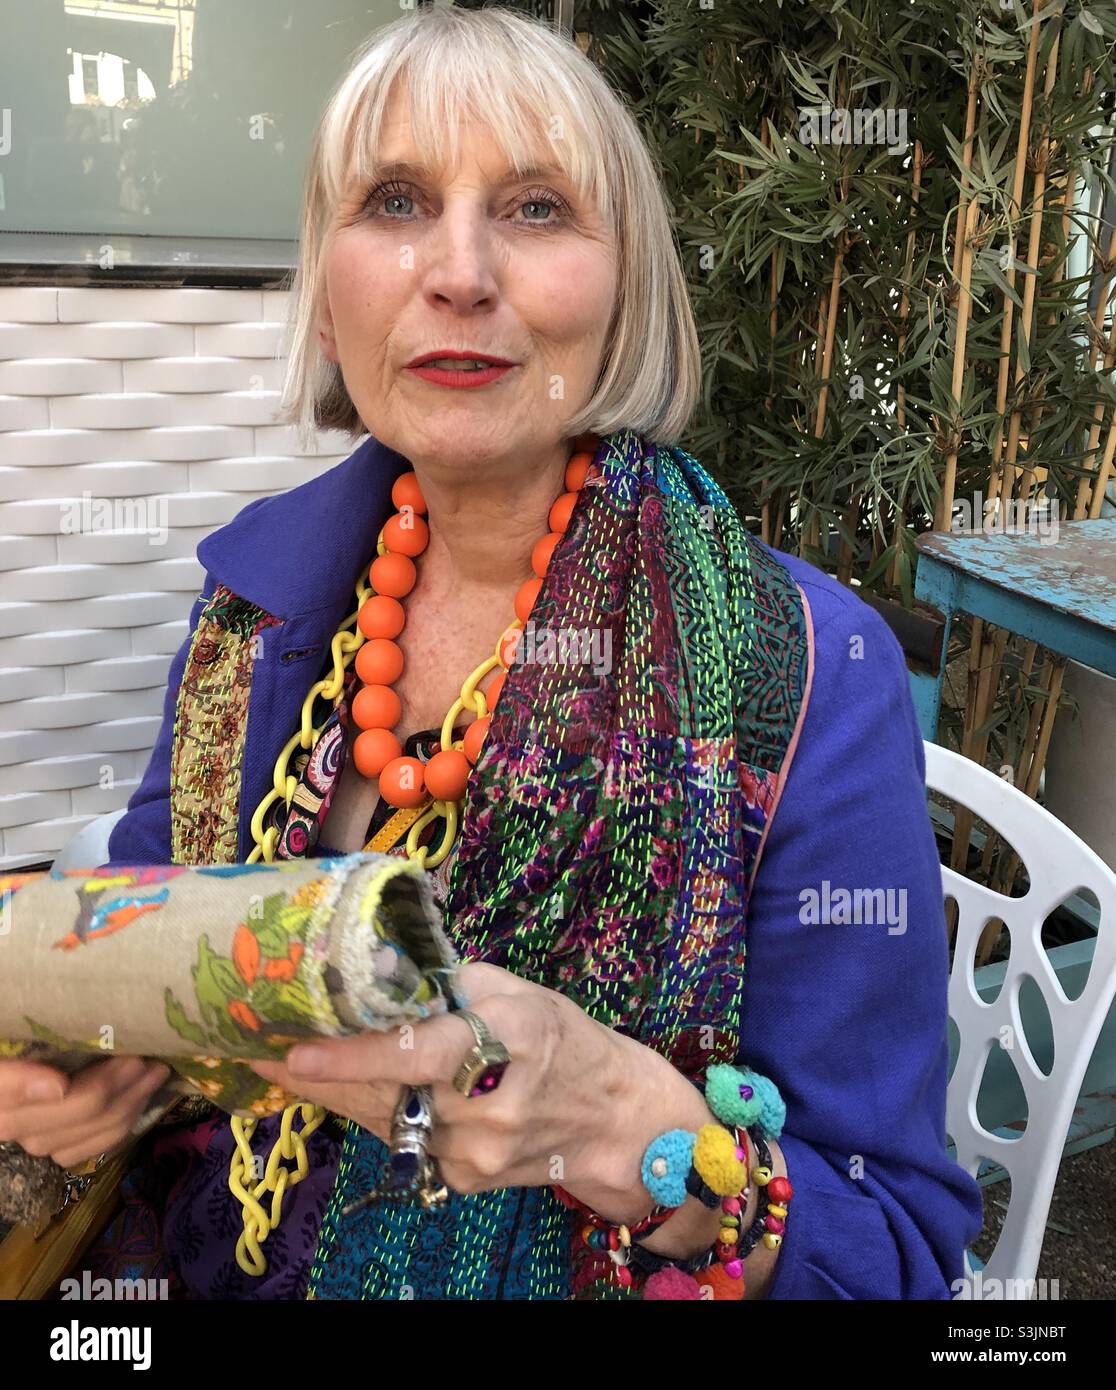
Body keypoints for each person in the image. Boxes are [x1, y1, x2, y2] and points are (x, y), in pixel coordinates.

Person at [0, 6, 982, 1300]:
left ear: (624, 280)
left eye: (532, 209)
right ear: (327, 276)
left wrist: (624, 1122)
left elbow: (898, 1254)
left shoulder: (805, 673)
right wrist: (78, 1081)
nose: (458, 270)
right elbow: (132, 947)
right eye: (396, 200)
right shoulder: (257, 609)